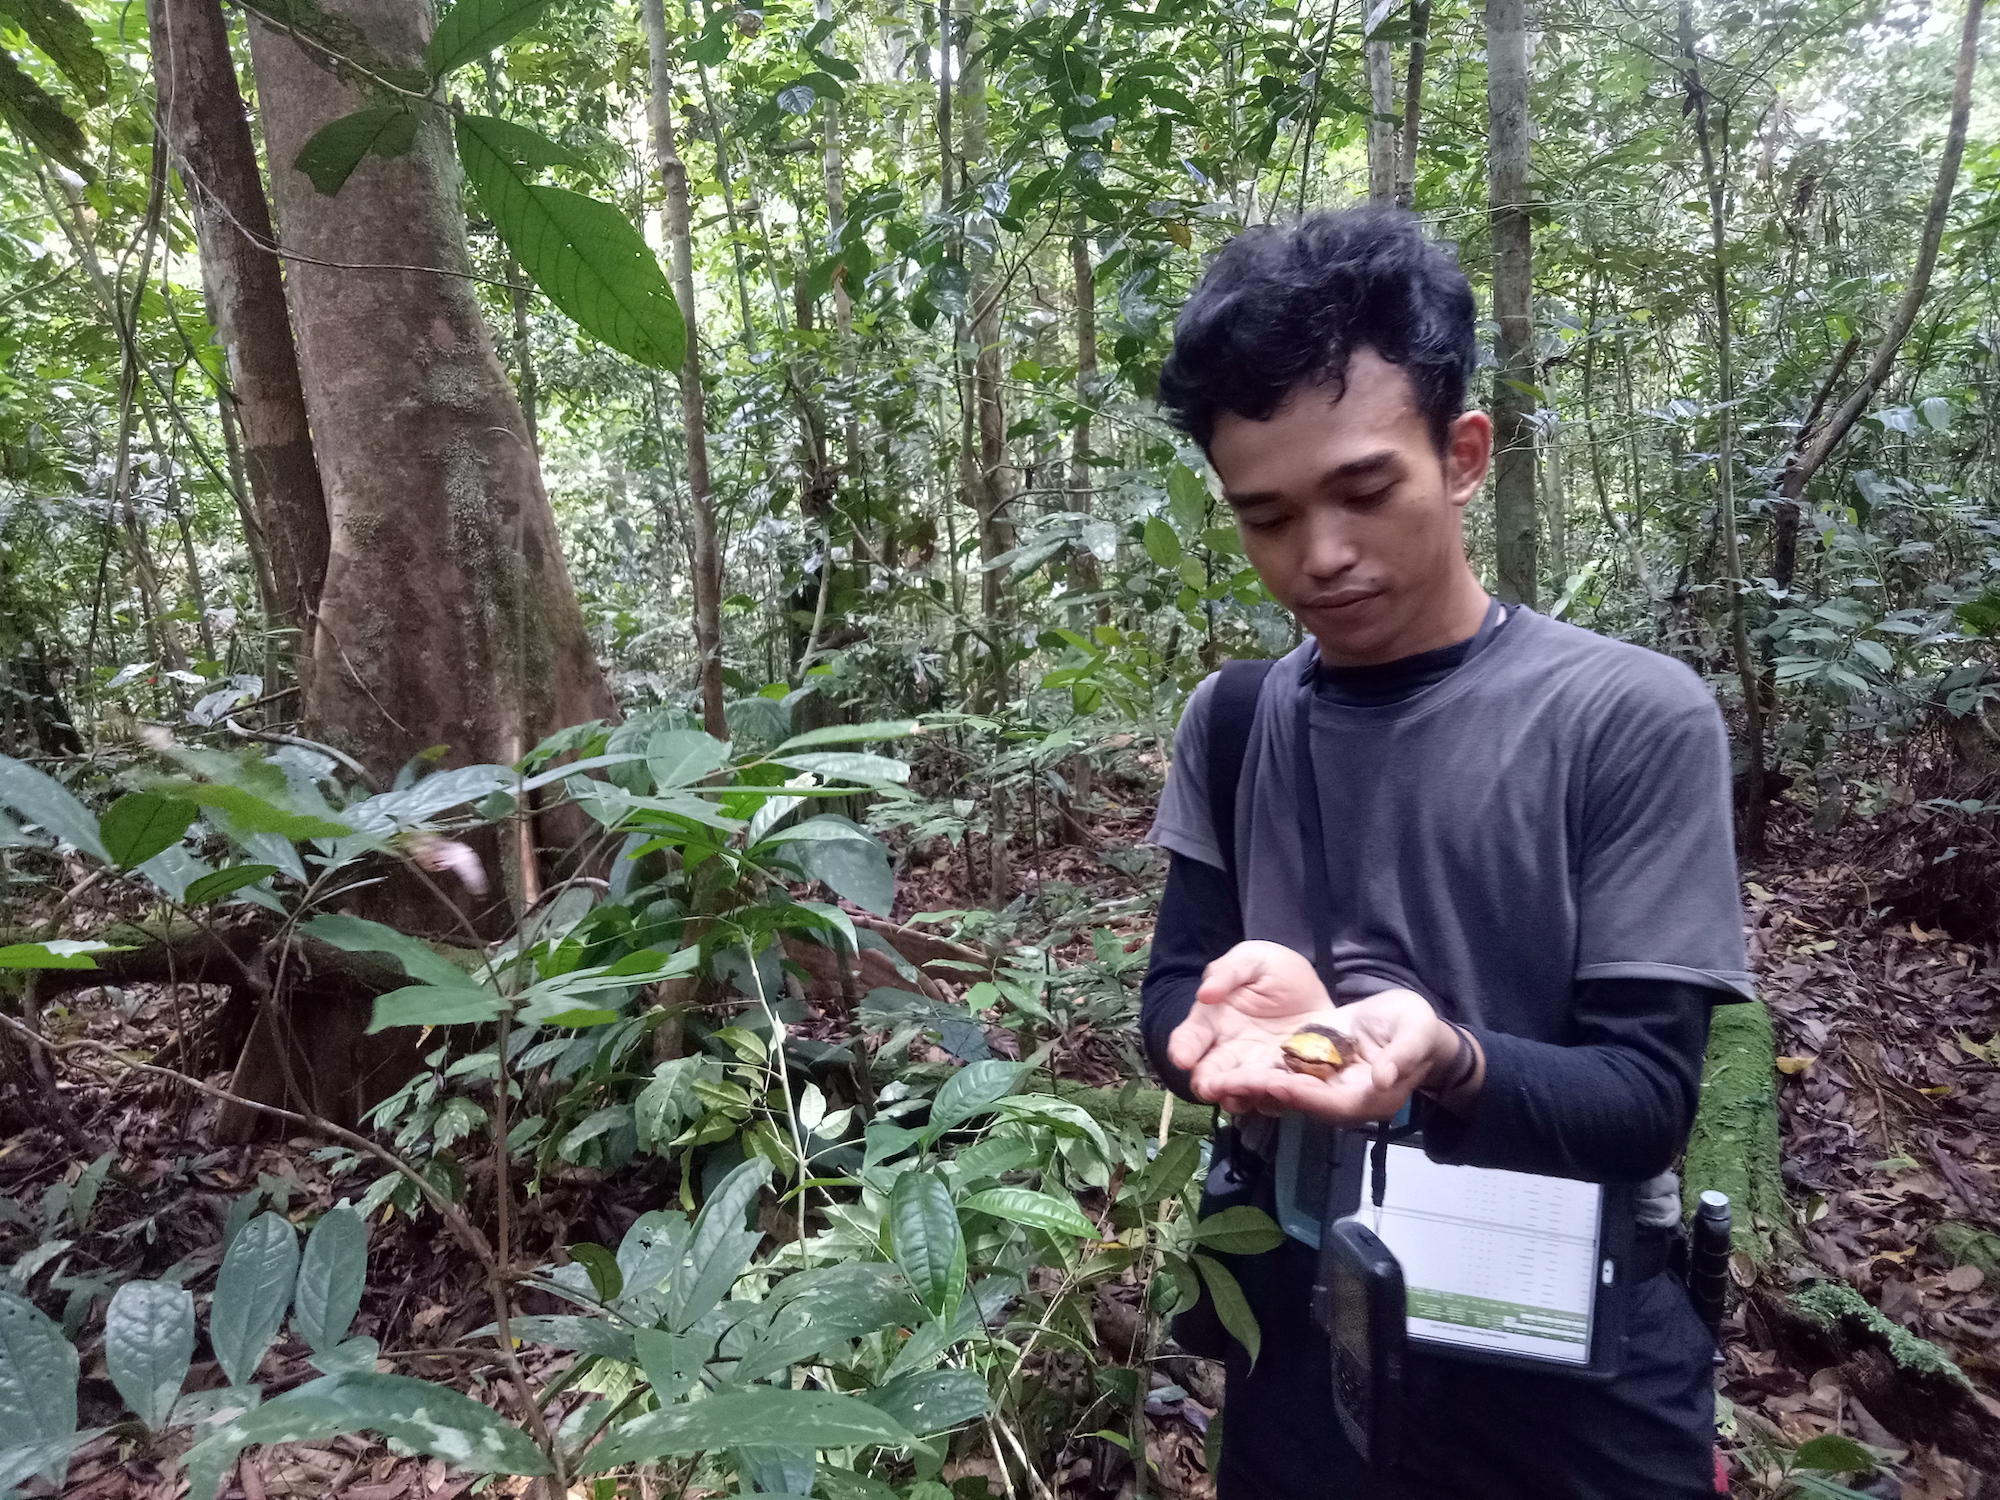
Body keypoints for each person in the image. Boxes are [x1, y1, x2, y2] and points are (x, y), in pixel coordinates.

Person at [1139, 206, 1752, 1499]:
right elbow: (1170, 1001)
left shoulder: (1624, 719)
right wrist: (1223, 1038)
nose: (1321, 557)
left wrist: (1445, 1056)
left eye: (1366, 491)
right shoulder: (1237, 719)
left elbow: (1647, 1098)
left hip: (1560, 1344)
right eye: (1266, 516)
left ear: (1462, 454)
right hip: (1305, 1317)